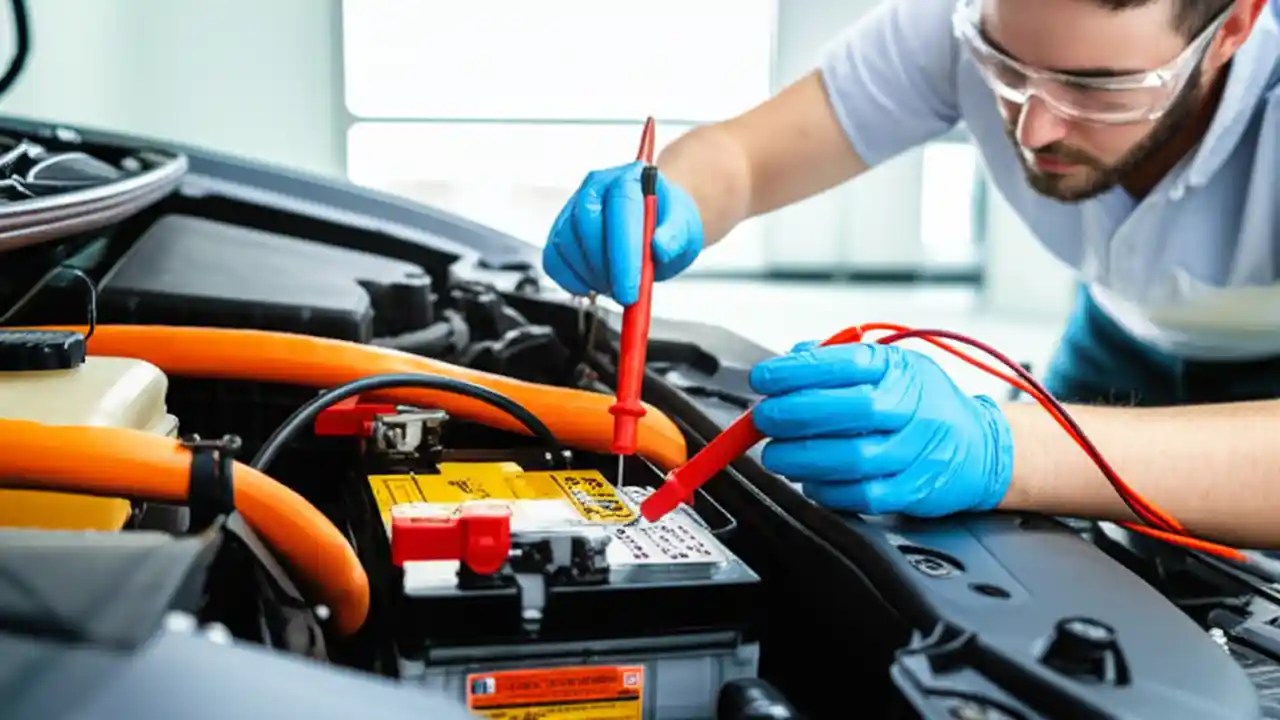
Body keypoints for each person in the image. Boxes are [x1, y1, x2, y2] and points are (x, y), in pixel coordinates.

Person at [540, 0, 1280, 536]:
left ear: (1232, 28)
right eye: (1007, 69)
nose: (1033, 128)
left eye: (1097, 87)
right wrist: (674, 198)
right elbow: (744, 158)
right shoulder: (963, 21)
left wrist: (1004, 448)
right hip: (1115, 333)